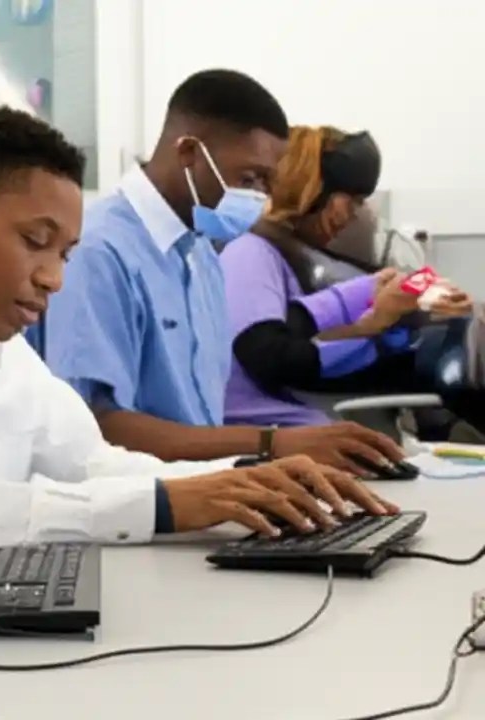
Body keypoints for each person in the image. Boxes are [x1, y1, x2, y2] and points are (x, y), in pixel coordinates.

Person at [0, 105, 396, 622]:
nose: (56, 277)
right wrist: (168, 504)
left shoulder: (5, 355)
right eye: (36, 243)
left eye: (66, 252)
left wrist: (251, 478)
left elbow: (93, 463)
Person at [44, 69, 405, 475]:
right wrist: (272, 443)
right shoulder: (99, 253)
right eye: (249, 178)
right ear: (189, 155)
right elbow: (95, 429)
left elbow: (201, 424)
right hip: (134, 511)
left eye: (267, 183)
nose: (259, 198)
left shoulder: (203, 258)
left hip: (207, 496)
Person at [221, 126, 478, 428]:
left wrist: (420, 309)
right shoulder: (249, 253)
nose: (356, 214)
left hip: (311, 416)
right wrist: (376, 322)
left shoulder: (298, 257)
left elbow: (315, 332)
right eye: (352, 200)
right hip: (276, 429)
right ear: (314, 191)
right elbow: (274, 358)